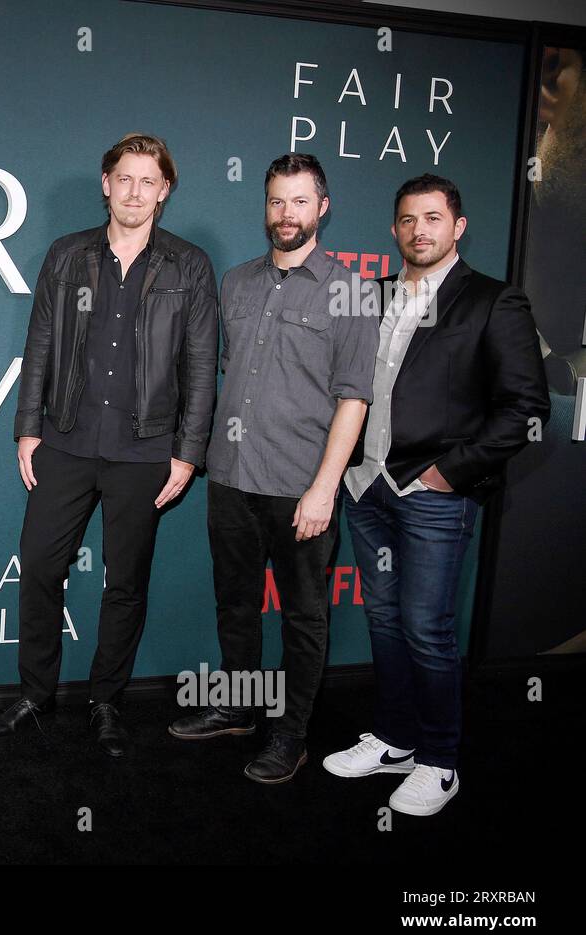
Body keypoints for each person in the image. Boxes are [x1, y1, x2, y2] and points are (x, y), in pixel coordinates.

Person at [0, 132, 218, 757]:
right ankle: (36, 694)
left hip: (145, 451)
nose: (135, 191)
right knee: (40, 567)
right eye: (125, 178)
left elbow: (200, 362)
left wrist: (189, 452)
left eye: (149, 182)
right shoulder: (66, 255)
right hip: (63, 441)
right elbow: (38, 346)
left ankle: (106, 701)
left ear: (163, 193)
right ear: (106, 183)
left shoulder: (188, 265)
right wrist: (27, 427)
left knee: (126, 583)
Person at [323, 174, 551, 815]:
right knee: (385, 620)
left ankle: (440, 760)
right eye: (406, 220)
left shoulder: (493, 300)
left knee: (427, 629)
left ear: (458, 226)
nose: (418, 230)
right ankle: (395, 737)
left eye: (432, 218)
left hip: (433, 495)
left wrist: (448, 474)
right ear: (394, 230)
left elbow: (527, 409)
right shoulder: (372, 296)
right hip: (367, 489)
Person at [169, 153, 376, 784]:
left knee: (303, 616)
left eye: (299, 202)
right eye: (276, 202)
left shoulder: (351, 290)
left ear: (323, 207)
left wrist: (323, 490)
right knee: (235, 603)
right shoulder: (236, 282)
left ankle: (292, 735)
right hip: (230, 476)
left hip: (300, 487)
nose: (286, 215)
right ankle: (238, 709)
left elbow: (354, 399)